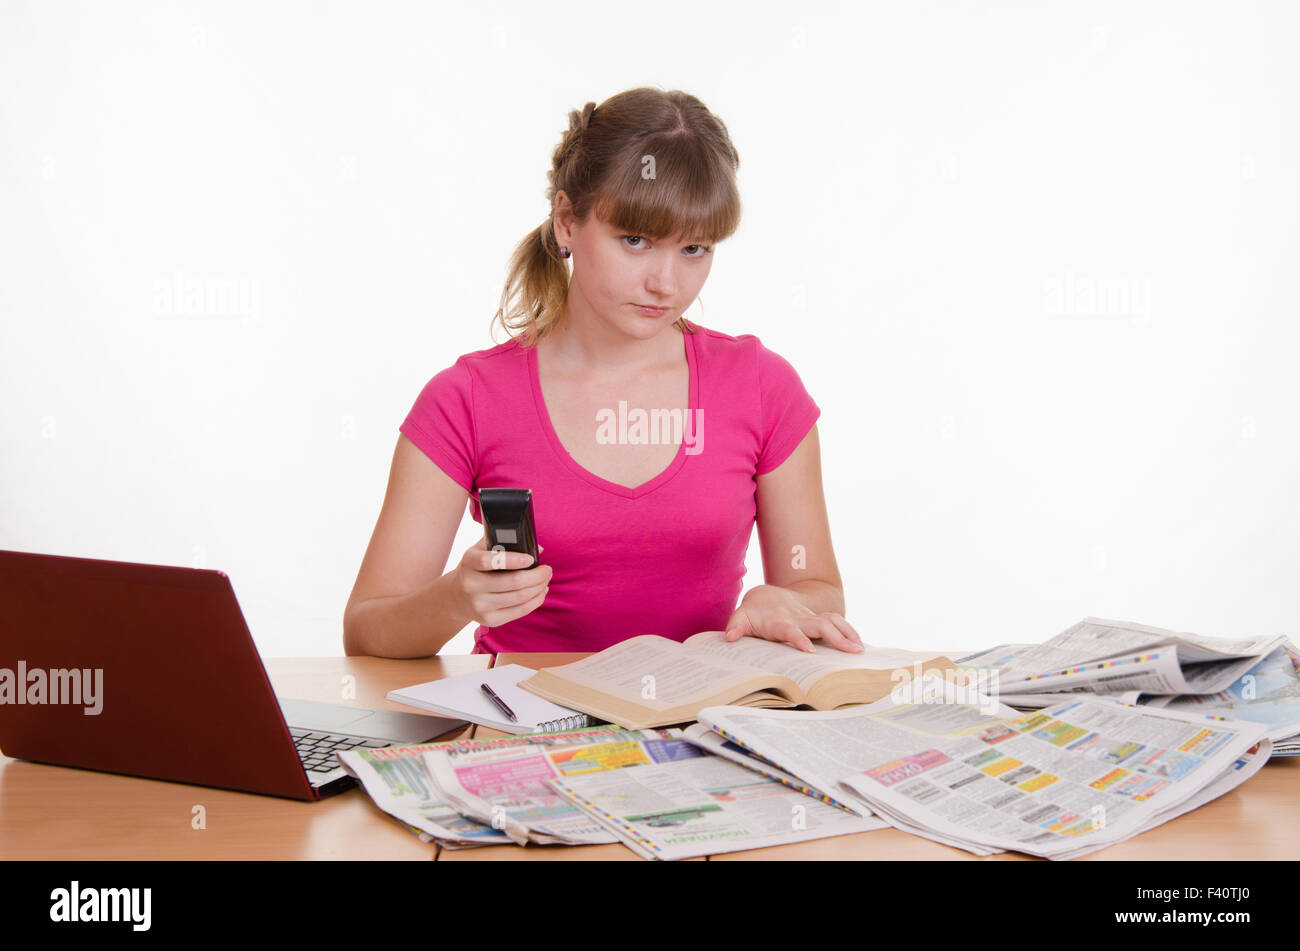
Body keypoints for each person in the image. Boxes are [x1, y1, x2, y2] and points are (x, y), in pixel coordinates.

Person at [343, 87, 863, 659]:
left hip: (700, 730)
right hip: (521, 729)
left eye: (694, 249)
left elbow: (819, 590)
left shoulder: (762, 387)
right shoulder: (466, 400)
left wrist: (781, 602)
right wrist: (455, 600)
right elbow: (366, 631)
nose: (666, 283)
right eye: (634, 241)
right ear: (567, 222)